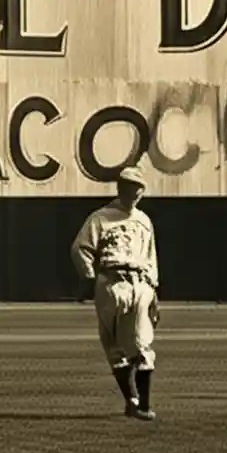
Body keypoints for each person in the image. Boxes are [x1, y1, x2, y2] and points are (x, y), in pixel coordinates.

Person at [70, 166, 161, 421]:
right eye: (130, 187)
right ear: (120, 188)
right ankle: (132, 400)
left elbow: (151, 258)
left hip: (139, 282)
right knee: (113, 346)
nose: (135, 192)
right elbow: (80, 249)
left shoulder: (144, 221)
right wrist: (89, 277)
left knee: (141, 343)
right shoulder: (100, 217)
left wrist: (154, 290)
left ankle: (143, 404)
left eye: (138, 188)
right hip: (111, 281)